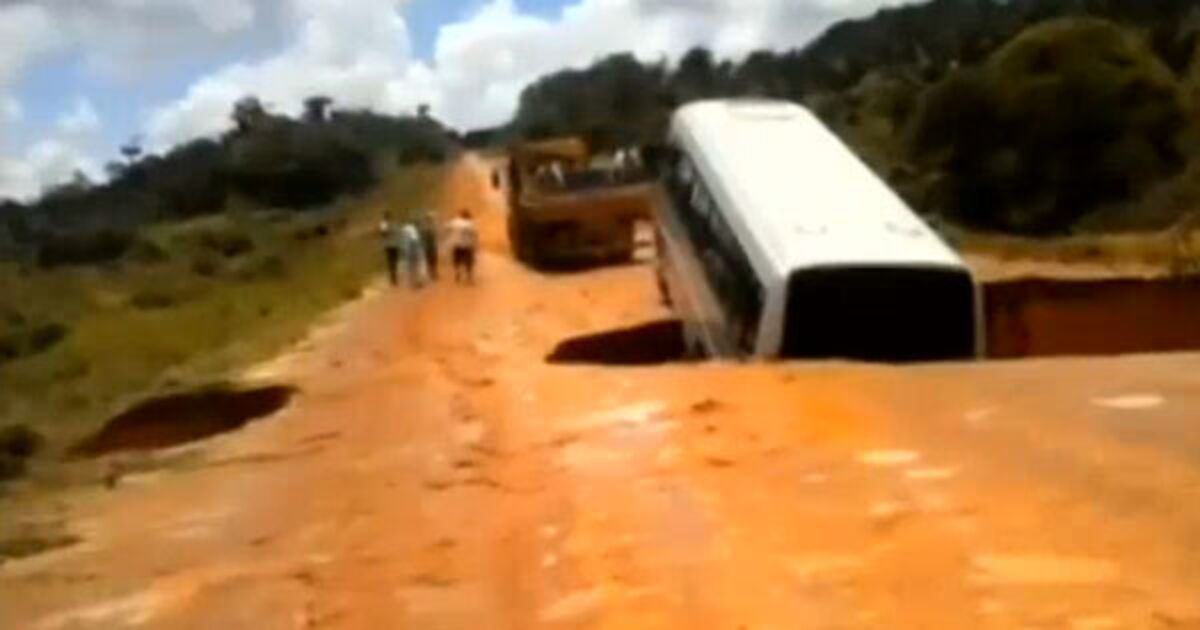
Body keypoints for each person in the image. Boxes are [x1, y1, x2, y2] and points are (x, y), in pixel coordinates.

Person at [446, 209, 478, 284]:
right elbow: (474, 234)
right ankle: (469, 277)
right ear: (468, 216)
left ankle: (457, 272)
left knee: (457, 260)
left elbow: (447, 228)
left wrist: (451, 237)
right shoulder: (470, 223)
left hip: (456, 244)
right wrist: (475, 244)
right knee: (469, 261)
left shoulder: (454, 222)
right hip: (467, 245)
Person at [399, 221, 426, 288]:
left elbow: (404, 243)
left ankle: (413, 282)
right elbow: (417, 241)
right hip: (415, 248)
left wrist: (404, 252)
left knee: (411, 267)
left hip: (409, 250)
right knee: (417, 266)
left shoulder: (404, 230)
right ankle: (418, 281)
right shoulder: (414, 230)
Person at [378, 212, 402, 286]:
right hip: (391, 245)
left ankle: (394, 277)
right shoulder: (385, 224)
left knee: (393, 262)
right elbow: (383, 233)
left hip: (392, 245)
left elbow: (397, 233)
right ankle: (393, 278)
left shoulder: (390, 224)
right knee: (392, 262)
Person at [417, 210, 439, 282]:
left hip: (427, 246)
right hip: (431, 246)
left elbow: (421, 236)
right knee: (433, 260)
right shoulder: (432, 226)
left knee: (429, 260)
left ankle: (431, 273)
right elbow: (435, 235)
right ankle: (433, 273)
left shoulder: (424, 227)